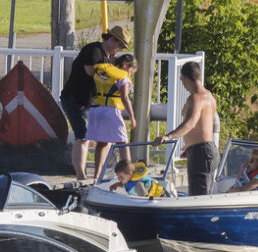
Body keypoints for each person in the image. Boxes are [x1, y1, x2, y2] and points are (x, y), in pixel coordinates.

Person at [59, 25, 130, 181]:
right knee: (83, 136)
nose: (120, 49)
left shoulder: (109, 57)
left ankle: (97, 175)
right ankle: (81, 176)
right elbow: (90, 70)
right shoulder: (94, 50)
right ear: (112, 39)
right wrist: (112, 69)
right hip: (74, 99)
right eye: (120, 45)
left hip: (92, 103)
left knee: (105, 139)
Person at [152, 61, 219, 195]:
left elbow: (190, 123)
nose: (182, 83)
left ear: (184, 77)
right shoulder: (210, 97)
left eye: (181, 79)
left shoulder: (195, 98)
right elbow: (204, 126)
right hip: (206, 150)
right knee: (202, 195)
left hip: (201, 152)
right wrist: (190, 146)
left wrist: (168, 137)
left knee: (198, 199)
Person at [86, 53, 138, 181]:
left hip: (95, 109)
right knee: (123, 142)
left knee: (102, 143)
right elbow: (124, 97)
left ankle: (97, 175)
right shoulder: (122, 77)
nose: (130, 74)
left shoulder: (103, 72)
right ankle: (128, 174)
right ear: (125, 65)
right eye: (131, 72)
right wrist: (132, 117)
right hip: (110, 110)